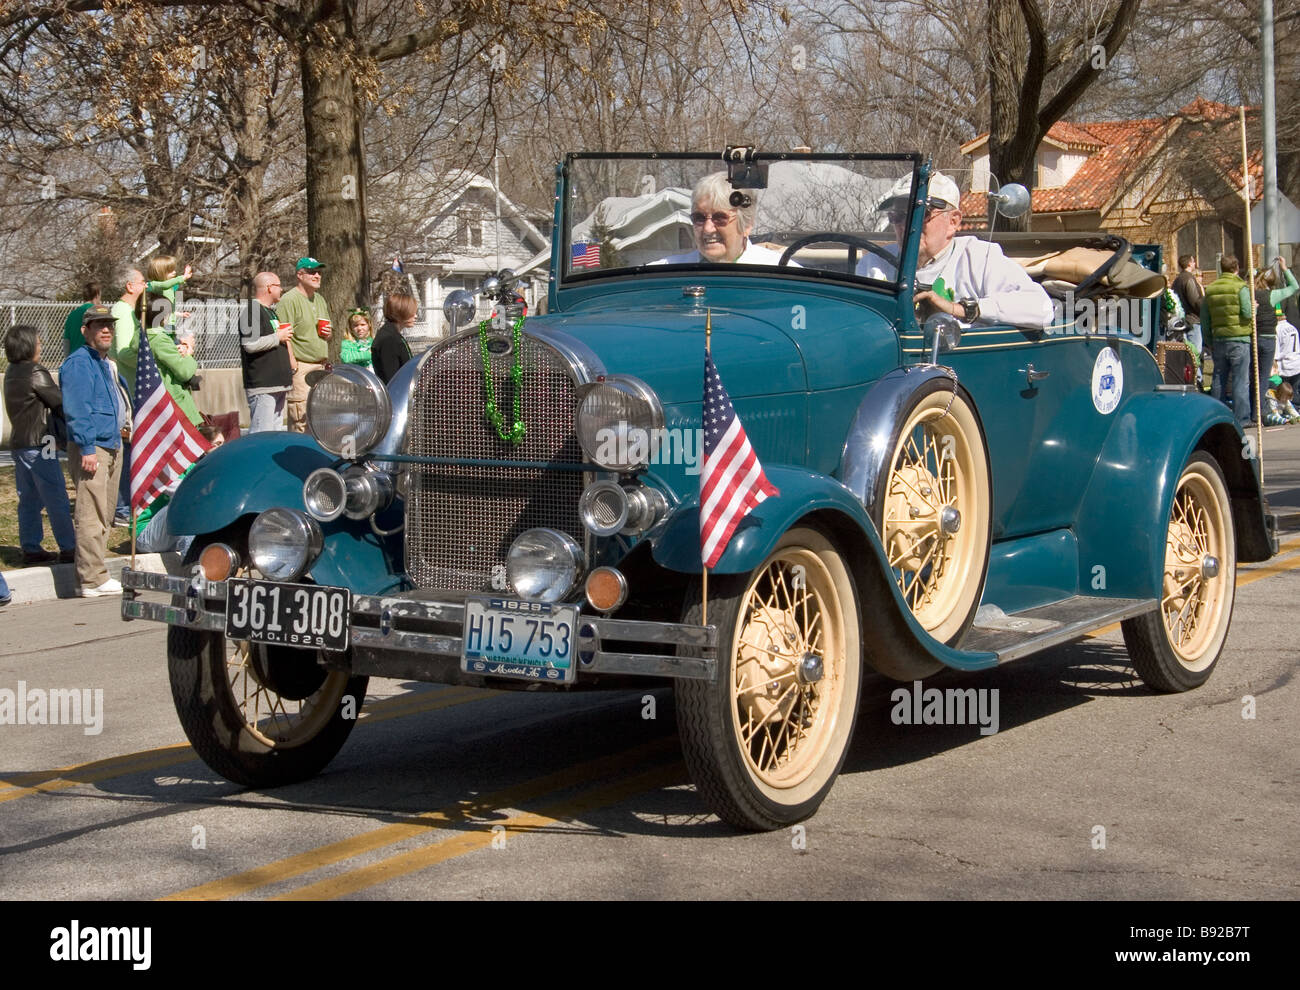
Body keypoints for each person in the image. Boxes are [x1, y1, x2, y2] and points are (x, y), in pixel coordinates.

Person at [857, 172, 1054, 329]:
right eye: (897, 216)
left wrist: (959, 309)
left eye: (920, 214)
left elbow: (1042, 308)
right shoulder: (874, 263)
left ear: (953, 221)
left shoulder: (978, 257)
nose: (906, 225)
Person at [59, 304, 132, 597]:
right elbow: (77, 410)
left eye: (109, 325)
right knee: (91, 512)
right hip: (93, 447)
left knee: (105, 512)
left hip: (111, 443)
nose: (106, 330)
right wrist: (87, 448)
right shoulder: (79, 363)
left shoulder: (105, 363)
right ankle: (91, 579)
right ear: (85, 330)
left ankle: (96, 573)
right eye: (99, 325)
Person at [3, 324, 76, 565]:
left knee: (29, 499)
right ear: (27, 345)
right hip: (42, 442)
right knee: (56, 497)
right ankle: (69, 547)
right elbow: (60, 403)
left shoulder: (11, 371)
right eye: (38, 342)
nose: (41, 346)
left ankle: (31, 547)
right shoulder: (35, 371)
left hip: (20, 443)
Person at [655, 172, 788, 265]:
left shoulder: (781, 274)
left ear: (747, 224)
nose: (707, 229)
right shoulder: (665, 273)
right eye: (699, 218)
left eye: (719, 218)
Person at [134, 424, 222, 556]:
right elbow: (184, 493)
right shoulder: (161, 466)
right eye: (218, 444)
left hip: (171, 535)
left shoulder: (192, 466)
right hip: (145, 536)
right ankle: (191, 561)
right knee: (188, 500)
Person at [277, 256, 332, 432]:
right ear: (300, 275)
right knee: (300, 417)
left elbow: (327, 333)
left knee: (320, 418)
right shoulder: (289, 300)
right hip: (301, 366)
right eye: (311, 272)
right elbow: (284, 335)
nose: (317, 275)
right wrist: (292, 363)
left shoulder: (320, 299)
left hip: (321, 365)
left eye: (319, 272)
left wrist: (328, 334)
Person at [1202, 255, 1254, 426]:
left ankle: (1216, 417)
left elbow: (1205, 319)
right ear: (1236, 268)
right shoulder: (1241, 287)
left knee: (1218, 379)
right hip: (1239, 338)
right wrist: (1254, 308)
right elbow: (1247, 313)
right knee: (1240, 380)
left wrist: (1209, 340)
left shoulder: (1211, 289)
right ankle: (1242, 418)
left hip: (1219, 339)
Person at [240, 272, 294, 432]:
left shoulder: (270, 311)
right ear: (270, 288)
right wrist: (278, 336)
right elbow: (250, 344)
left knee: (274, 436)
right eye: (279, 286)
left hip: (277, 384)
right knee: (261, 434)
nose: (281, 289)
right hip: (263, 386)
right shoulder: (251, 311)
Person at [1251, 257, 1299, 420]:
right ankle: (1260, 412)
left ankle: (1250, 410)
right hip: (1268, 338)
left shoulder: (1250, 293)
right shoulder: (1272, 295)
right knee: (1264, 376)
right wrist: (1284, 268)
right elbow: (1294, 287)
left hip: (1253, 337)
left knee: (1251, 376)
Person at [145, 254, 194, 342]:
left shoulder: (170, 288)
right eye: (170, 271)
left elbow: (169, 310)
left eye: (174, 269)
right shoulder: (154, 285)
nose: (174, 272)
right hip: (159, 324)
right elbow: (165, 285)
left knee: (174, 343)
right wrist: (183, 277)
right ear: (160, 272)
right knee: (169, 343)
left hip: (169, 323)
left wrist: (180, 314)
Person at [373, 292, 416, 384]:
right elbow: (392, 379)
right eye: (411, 313)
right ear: (400, 312)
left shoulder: (393, 334)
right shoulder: (389, 339)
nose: (415, 316)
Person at [1171, 255, 1205, 358]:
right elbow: (1195, 301)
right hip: (1192, 320)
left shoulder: (1177, 280)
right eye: (1193, 261)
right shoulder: (1188, 279)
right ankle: (1195, 369)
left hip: (1181, 320)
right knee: (1195, 352)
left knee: (1186, 352)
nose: (1195, 263)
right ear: (1189, 263)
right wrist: (1204, 311)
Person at [62, 281, 101, 359]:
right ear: (97, 295)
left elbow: (66, 341)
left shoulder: (72, 315)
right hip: (92, 358)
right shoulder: (98, 312)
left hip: (74, 358)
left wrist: (67, 359)